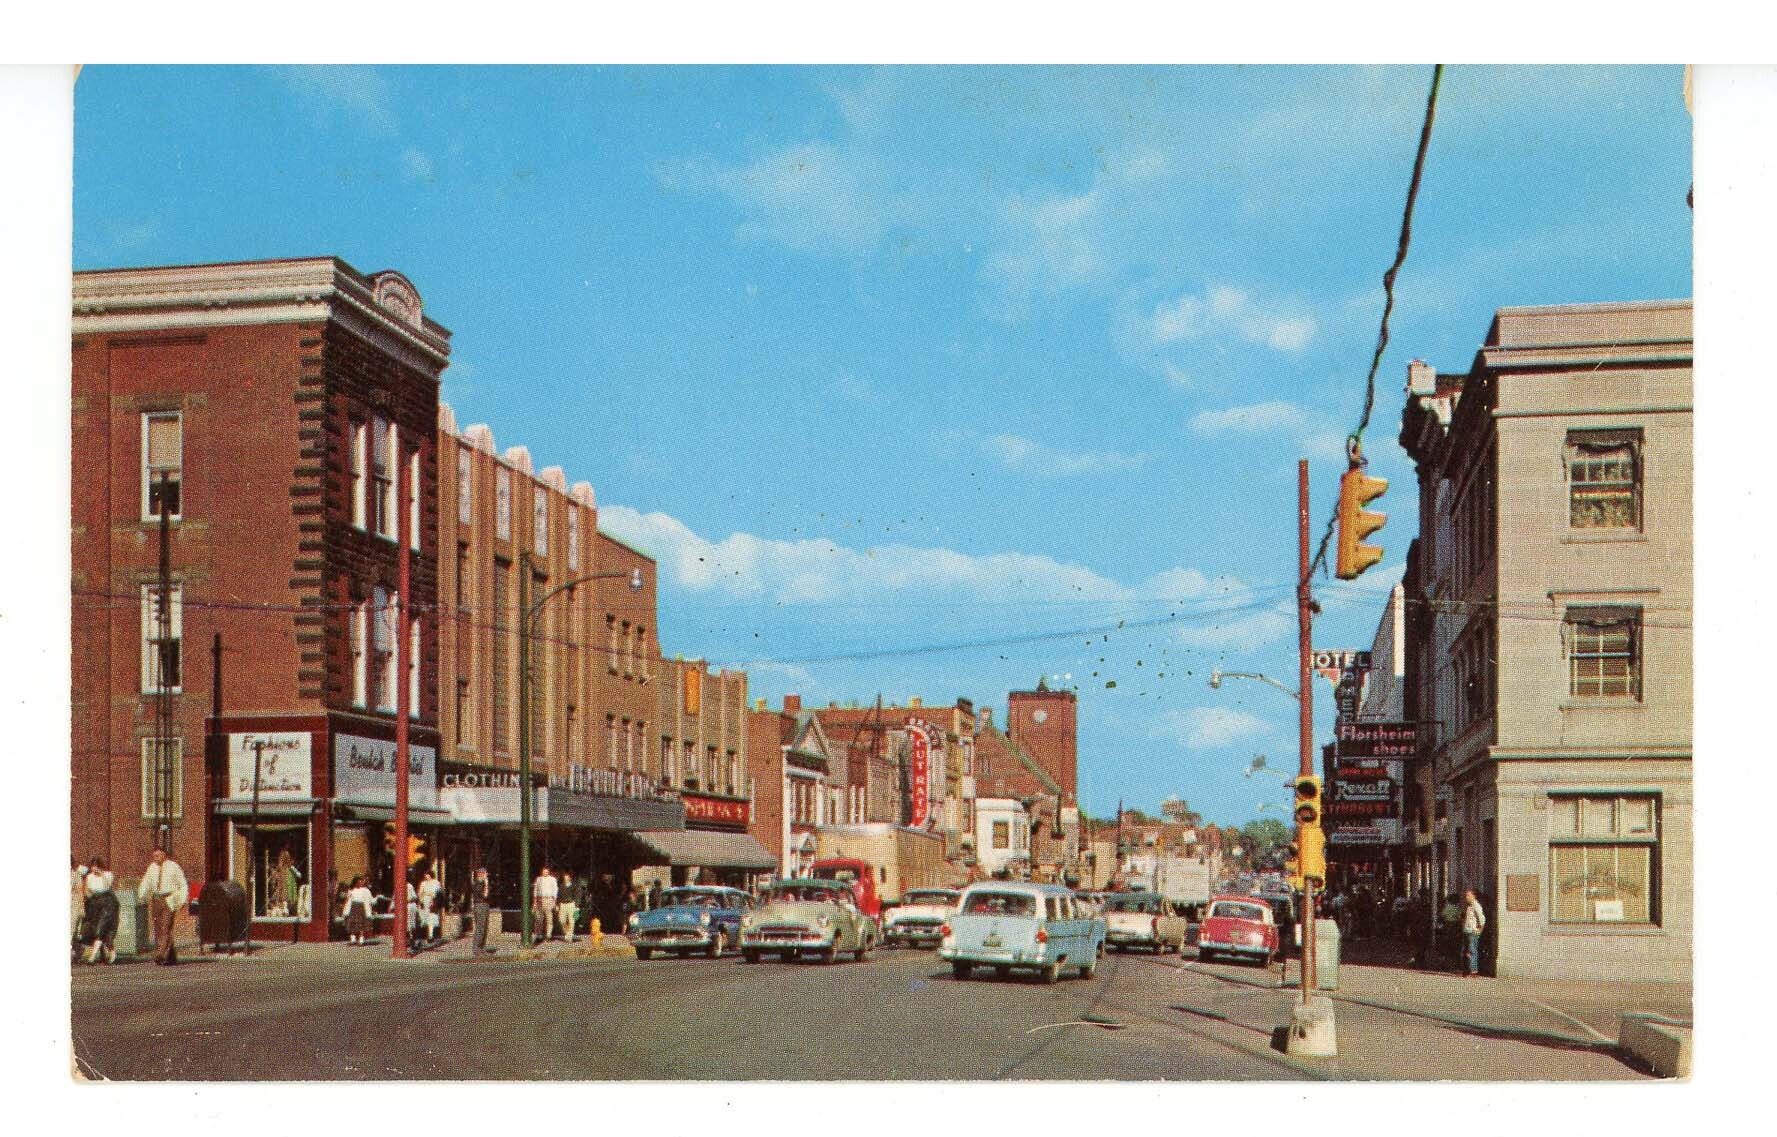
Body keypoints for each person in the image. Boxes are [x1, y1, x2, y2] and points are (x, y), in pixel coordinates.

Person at [135, 846, 190, 965]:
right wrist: (141, 896)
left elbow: (183, 883)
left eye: (158, 856)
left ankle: (160, 954)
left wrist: (182, 900)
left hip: (169, 899)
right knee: (158, 928)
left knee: (165, 926)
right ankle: (171, 955)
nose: (155, 858)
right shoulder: (152, 868)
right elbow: (146, 882)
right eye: (154, 856)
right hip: (156, 900)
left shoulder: (173, 867)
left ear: (164, 855)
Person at [81, 856, 119, 965]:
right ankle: (111, 953)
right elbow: (88, 891)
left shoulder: (108, 875)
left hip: (108, 903)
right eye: (93, 866)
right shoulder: (89, 877)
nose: (94, 869)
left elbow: (107, 886)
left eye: (97, 866)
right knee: (99, 930)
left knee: (100, 928)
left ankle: (92, 957)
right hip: (95, 904)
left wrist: (102, 875)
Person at [342, 875, 375, 945]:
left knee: (362, 924)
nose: (361, 882)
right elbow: (348, 900)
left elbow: (371, 900)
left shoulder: (366, 891)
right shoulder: (351, 890)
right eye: (359, 881)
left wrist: (375, 900)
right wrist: (345, 909)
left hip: (362, 908)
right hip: (353, 908)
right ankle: (353, 937)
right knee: (353, 923)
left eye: (362, 881)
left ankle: (361, 938)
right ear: (355, 882)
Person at [1461, 889, 1486, 977]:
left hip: (1473, 931)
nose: (1466, 897)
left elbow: (1482, 919)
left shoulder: (1476, 906)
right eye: (1466, 896)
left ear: (1474, 896)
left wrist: (1480, 930)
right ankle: (1467, 969)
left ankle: (1474, 970)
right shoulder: (1469, 906)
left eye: (1468, 895)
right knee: (1466, 951)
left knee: (1472, 950)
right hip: (1467, 930)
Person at [470, 866, 493, 954]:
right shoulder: (477, 884)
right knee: (480, 927)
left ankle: (482, 948)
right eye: (485, 874)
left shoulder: (480, 883)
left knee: (485, 927)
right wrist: (486, 884)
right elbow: (485, 895)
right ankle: (476, 948)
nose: (487, 875)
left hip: (484, 905)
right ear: (481, 874)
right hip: (480, 905)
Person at [532, 866, 559, 941]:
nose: (545, 873)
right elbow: (535, 890)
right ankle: (539, 935)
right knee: (539, 919)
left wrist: (554, 901)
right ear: (542, 872)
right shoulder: (538, 879)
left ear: (548, 872)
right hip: (540, 900)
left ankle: (548, 935)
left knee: (549, 919)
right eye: (544, 871)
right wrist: (535, 901)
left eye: (546, 872)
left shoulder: (552, 879)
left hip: (549, 899)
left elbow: (555, 890)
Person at [417, 870, 442, 945]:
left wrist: (433, 900)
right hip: (425, 901)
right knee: (423, 918)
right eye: (426, 875)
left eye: (427, 875)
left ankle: (431, 935)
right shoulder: (423, 883)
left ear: (430, 875)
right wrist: (420, 901)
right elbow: (420, 893)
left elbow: (438, 893)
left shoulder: (436, 882)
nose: (426, 876)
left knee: (431, 917)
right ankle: (423, 935)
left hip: (432, 902)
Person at [557, 871, 581, 943]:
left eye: (567, 878)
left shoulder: (574, 886)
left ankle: (569, 938)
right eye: (565, 878)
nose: (566, 879)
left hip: (571, 904)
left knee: (572, 921)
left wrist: (576, 905)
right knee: (562, 920)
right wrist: (557, 905)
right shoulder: (561, 886)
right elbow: (558, 896)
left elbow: (577, 896)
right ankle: (567, 933)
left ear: (570, 878)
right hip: (563, 904)